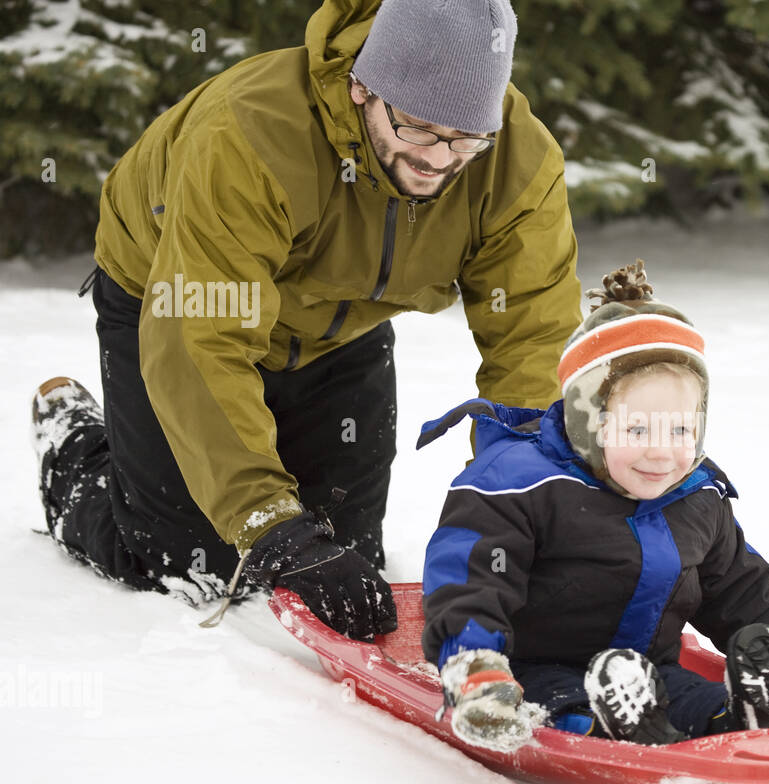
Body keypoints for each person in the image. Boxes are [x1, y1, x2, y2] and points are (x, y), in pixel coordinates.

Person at [29, 0, 582, 641]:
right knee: (188, 563)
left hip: (338, 326)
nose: (440, 158)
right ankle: (72, 451)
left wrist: (524, 505)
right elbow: (199, 340)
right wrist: (269, 525)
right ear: (361, 88)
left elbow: (531, 338)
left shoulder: (517, 161)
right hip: (173, 296)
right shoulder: (249, 135)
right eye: (418, 129)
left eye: (465, 139)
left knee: (346, 565)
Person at [418, 261, 769, 750]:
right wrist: (478, 671)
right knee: (566, 705)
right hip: (533, 671)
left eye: (681, 430)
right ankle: (605, 728)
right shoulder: (516, 485)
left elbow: (739, 586)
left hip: (650, 674)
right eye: (638, 429)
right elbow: (469, 584)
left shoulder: (697, 496)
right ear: (589, 422)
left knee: (694, 699)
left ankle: (750, 714)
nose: (662, 451)